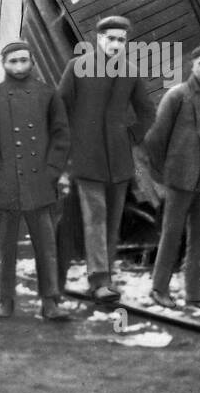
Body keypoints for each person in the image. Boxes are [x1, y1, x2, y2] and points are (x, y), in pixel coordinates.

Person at [57, 15, 156, 303]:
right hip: (87, 159)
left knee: (111, 221)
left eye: (121, 40)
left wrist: (131, 138)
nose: (115, 44)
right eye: (110, 38)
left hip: (119, 160)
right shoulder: (77, 68)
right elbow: (60, 110)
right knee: (96, 217)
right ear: (98, 38)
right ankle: (98, 281)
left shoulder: (130, 72)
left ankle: (102, 277)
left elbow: (147, 112)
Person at [144, 44, 200, 311]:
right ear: (192, 66)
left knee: (199, 238)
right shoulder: (176, 96)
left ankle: (194, 294)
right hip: (179, 179)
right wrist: (163, 173)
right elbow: (155, 139)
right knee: (172, 235)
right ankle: (160, 289)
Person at [0, 40, 72, 320]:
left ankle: (50, 301)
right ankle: (5, 300)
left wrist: (52, 170)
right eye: (13, 61)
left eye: (24, 60)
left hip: (40, 181)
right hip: (7, 184)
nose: (19, 66)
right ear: (3, 64)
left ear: (32, 61)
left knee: (46, 245)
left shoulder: (47, 95)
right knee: (5, 246)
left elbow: (61, 135)